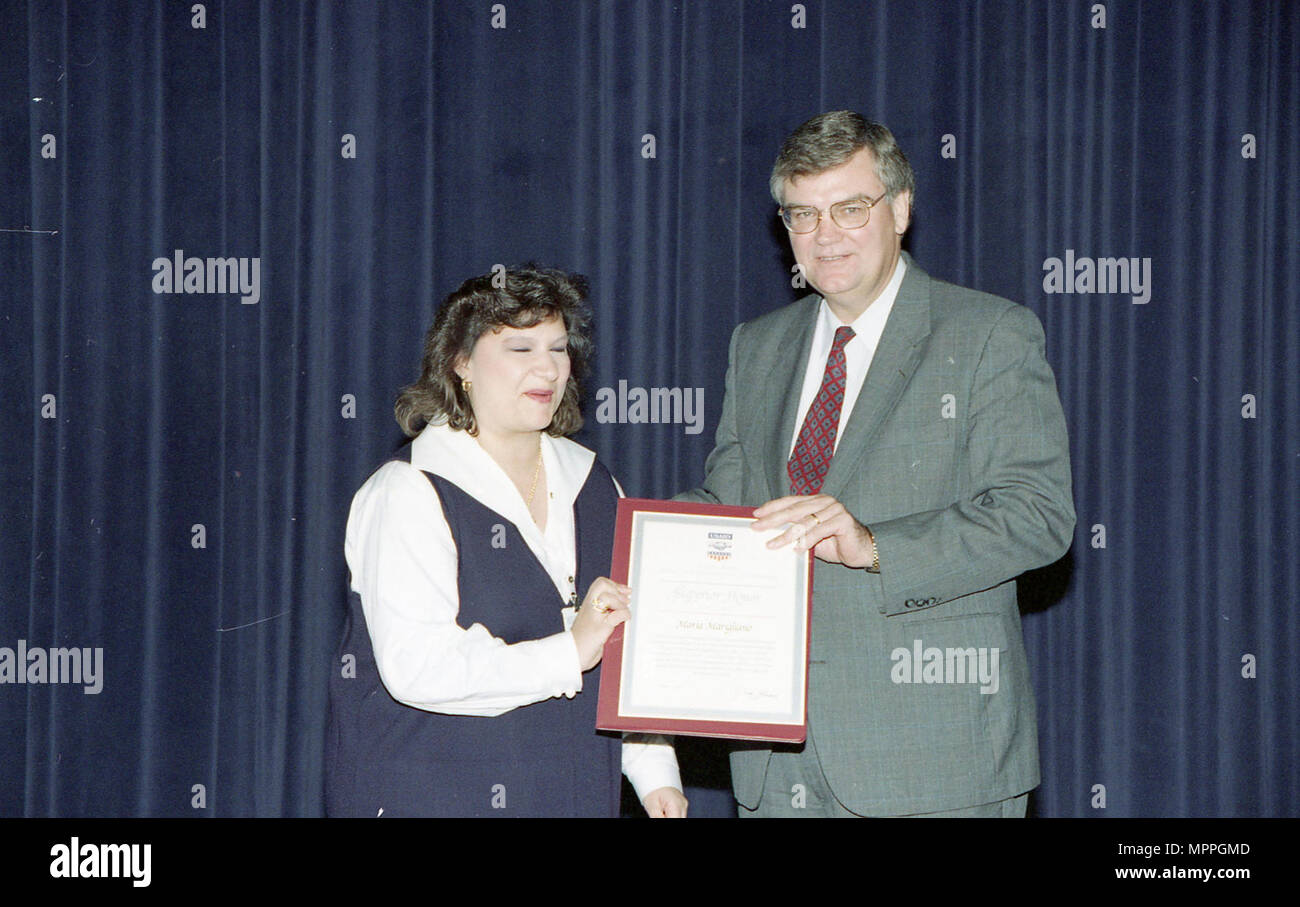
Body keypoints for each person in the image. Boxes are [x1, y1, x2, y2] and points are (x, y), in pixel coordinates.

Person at [679, 111, 1075, 817]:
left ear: (899, 208)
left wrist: (874, 546)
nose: (824, 235)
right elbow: (733, 507)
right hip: (777, 760)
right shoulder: (758, 345)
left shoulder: (990, 334)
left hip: (934, 758)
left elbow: (1036, 517)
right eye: (803, 214)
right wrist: (636, 538)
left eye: (849, 209)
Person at [326, 266, 686, 817]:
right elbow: (419, 667)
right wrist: (569, 652)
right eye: (521, 348)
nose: (548, 368)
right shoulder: (408, 489)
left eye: (559, 348)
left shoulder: (597, 483)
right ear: (461, 362)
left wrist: (654, 773)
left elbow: (623, 650)